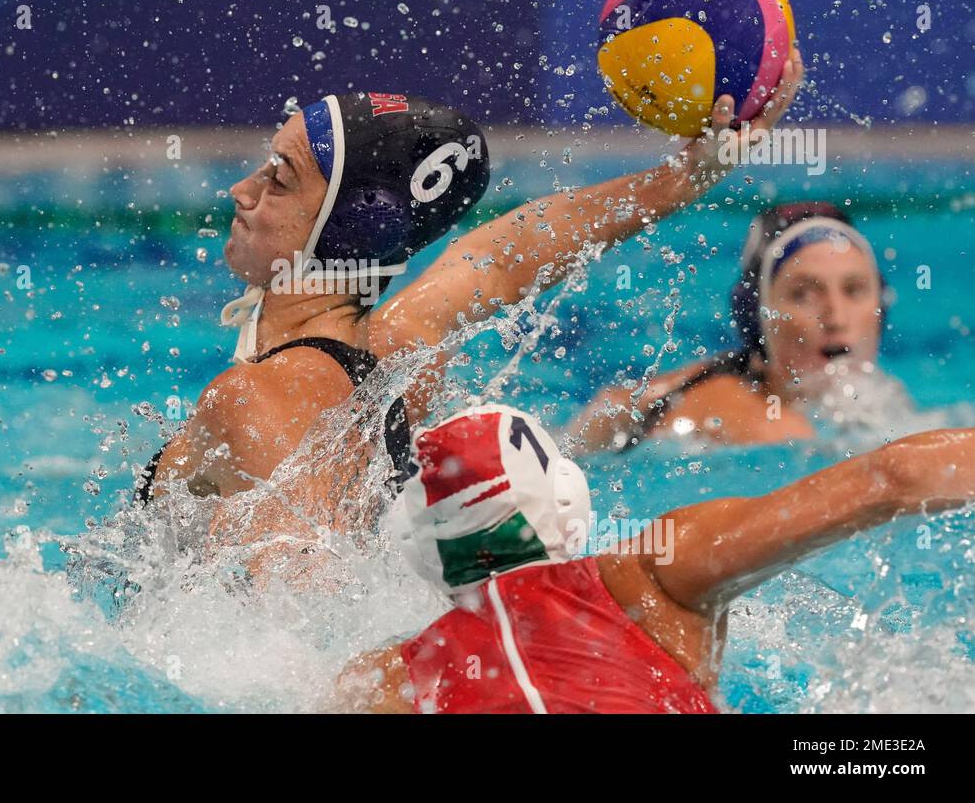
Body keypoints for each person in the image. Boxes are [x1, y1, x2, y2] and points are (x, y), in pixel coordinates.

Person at [139, 54, 804, 535]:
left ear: (348, 227)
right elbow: (508, 256)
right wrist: (682, 179)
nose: (243, 191)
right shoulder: (395, 357)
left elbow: (301, 625)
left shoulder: (259, 400)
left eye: (280, 179)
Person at [335, 404, 975, 713]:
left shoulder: (384, 681)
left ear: (422, 553)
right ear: (569, 500)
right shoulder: (648, 574)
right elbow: (894, 477)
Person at [570, 201, 889, 452]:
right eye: (803, 294)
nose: (837, 317)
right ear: (756, 319)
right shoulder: (768, 428)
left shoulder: (879, 399)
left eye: (854, 290)